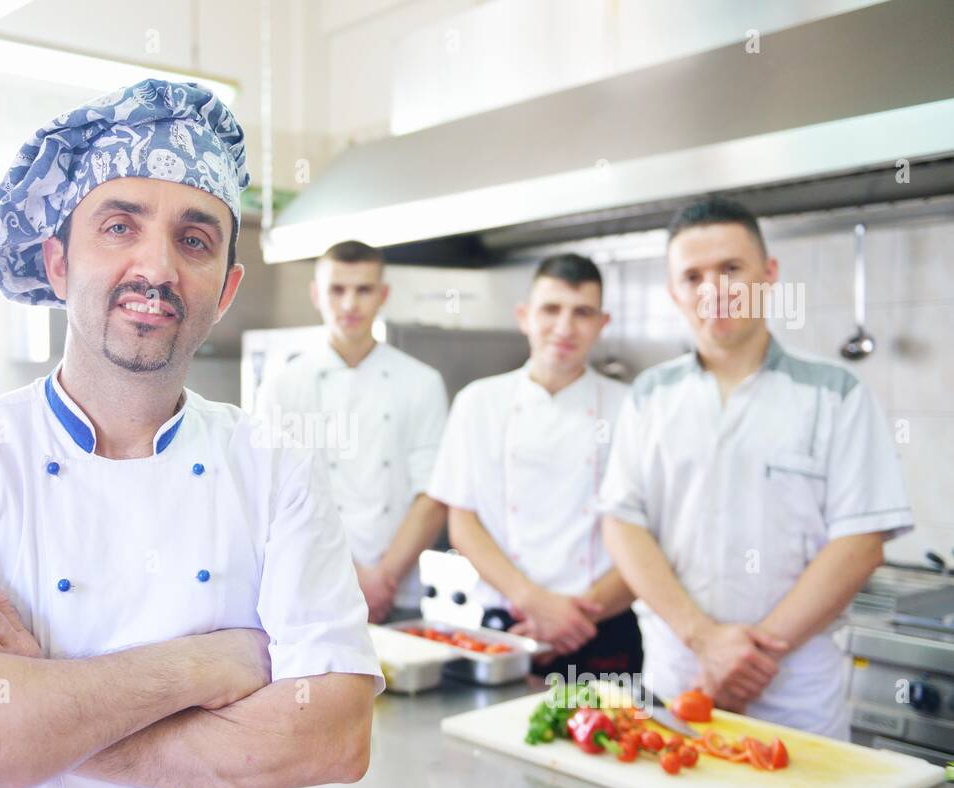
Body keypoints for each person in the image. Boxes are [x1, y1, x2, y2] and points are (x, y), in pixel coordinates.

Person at [0, 79, 383, 788]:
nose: (155, 267)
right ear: (58, 264)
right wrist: (204, 664)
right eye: (119, 226)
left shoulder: (278, 470)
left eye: (194, 240)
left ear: (225, 289)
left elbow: (335, 736)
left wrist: (32, 704)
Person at [600, 196, 912, 738]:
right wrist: (703, 639)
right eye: (692, 276)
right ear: (674, 292)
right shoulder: (650, 395)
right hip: (679, 681)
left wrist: (746, 656)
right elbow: (623, 524)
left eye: (730, 269)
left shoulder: (835, 393)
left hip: (795, 695)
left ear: (769, 275)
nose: (713, 290)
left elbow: (860, 541)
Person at [428, 253, 640, 679]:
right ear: (524, 316)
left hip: (603, 627)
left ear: (603, 323)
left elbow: (647, 536)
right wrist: (536, 604)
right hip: (509, 621)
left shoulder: (632, 408)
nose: (564, 327)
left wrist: (574, 620)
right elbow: (463, 524)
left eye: (582, 312)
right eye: (551, 309)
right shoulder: (479, 402)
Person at [254, 241, 448, 623]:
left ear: (383, 295)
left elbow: (432, 494)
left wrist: (383, 577)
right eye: (337, 290)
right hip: (314, 590)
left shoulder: (422, 382)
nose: (349, 304)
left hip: (397, 591)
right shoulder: (283, 387)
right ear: (316, 294)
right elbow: (272, 496)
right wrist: (352, 576)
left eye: (363, 290)